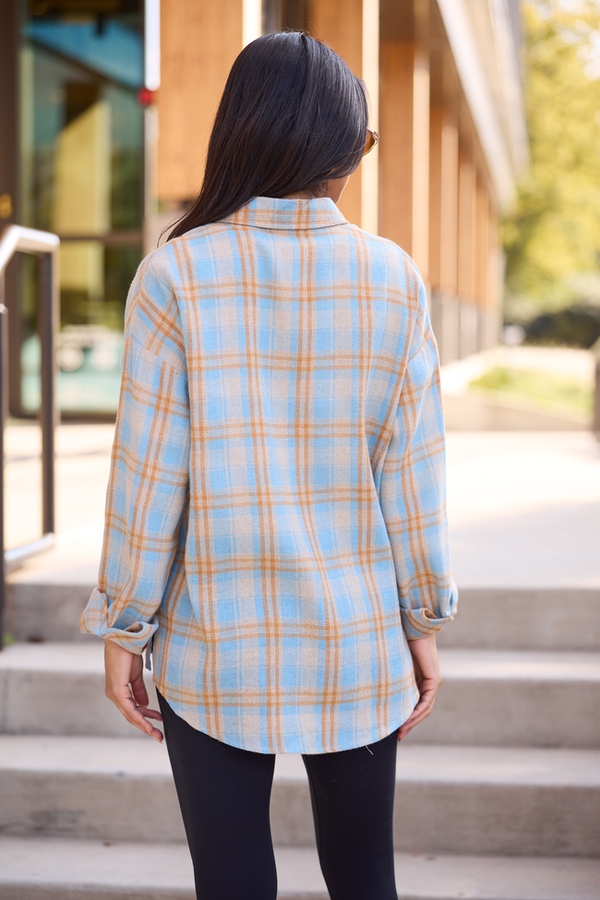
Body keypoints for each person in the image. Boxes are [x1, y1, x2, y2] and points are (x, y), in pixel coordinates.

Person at [81, 30, 457, 900]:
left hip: (215, 644)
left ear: (238, 134)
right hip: (358, 637)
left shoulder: (174, 276)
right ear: (344, 148)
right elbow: (415, 476)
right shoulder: (392, 279)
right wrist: (422, 621)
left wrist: (124, 628)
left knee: (232, 882)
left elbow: (147, 479)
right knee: (367, 878)